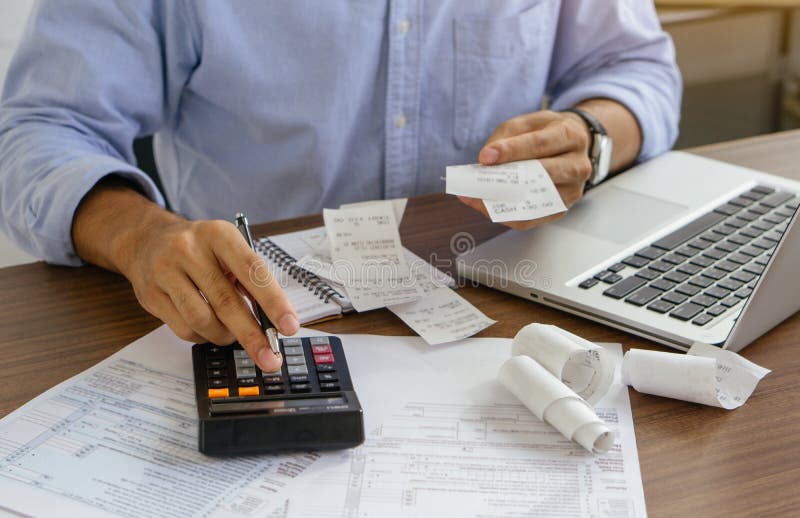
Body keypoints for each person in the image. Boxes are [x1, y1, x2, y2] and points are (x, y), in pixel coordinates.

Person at [0, 1, 681, 373]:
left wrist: (593, 135)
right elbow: (38, 128)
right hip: (247, 326)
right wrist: (143, 236)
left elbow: (636, 66)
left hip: (511, 317)